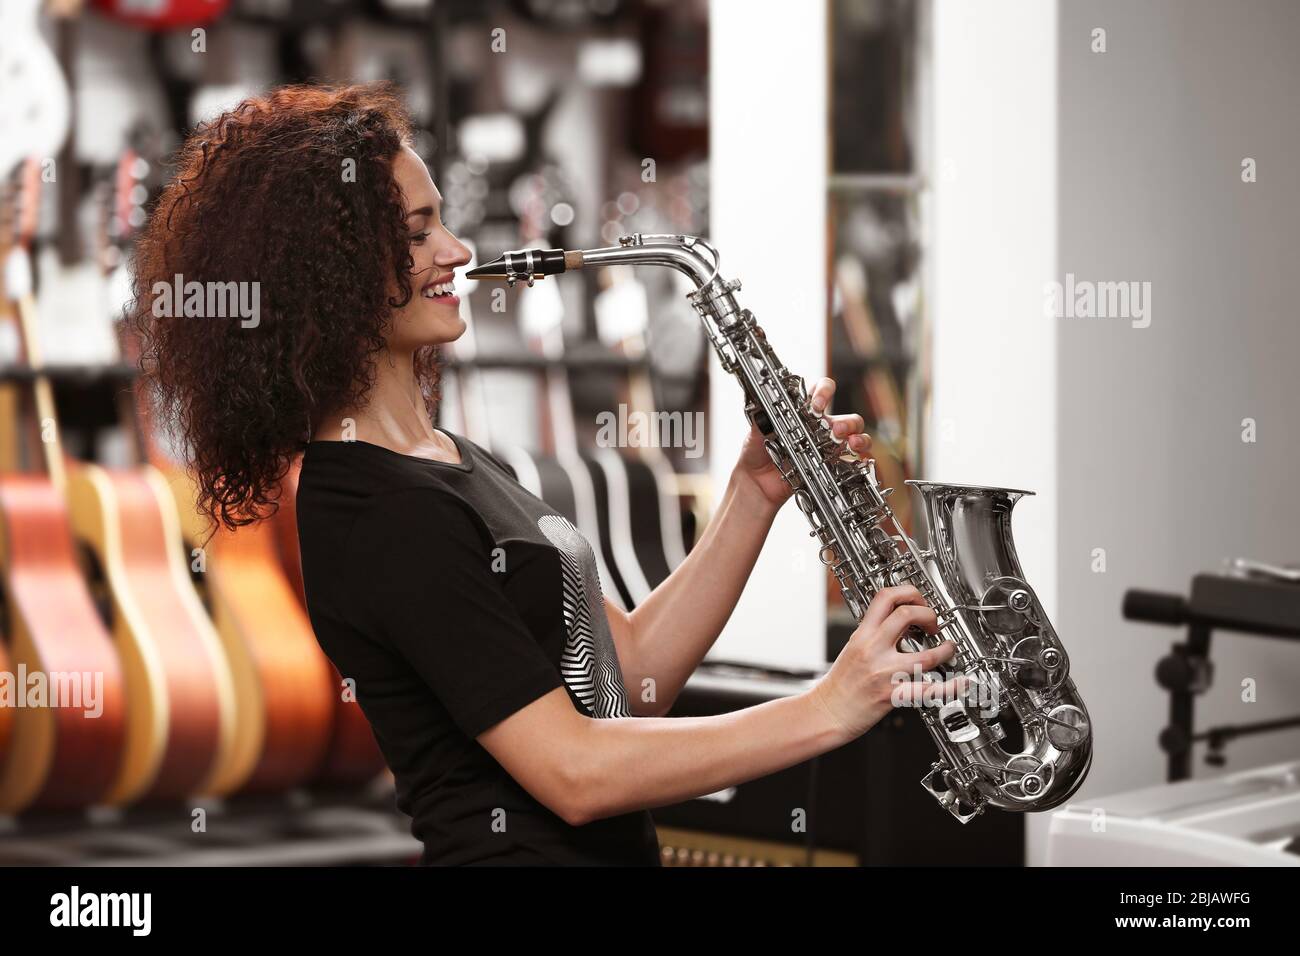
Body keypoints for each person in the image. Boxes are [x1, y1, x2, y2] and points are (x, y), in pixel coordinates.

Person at [131, 83, 958, 865]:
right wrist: (826, 706)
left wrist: (750, 494)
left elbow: (625, 680)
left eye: (441, 223)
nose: (456, 252)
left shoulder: (451, 460)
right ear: (330, 270)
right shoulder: (376, 510)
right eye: (417, 233)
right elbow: (575, 773)